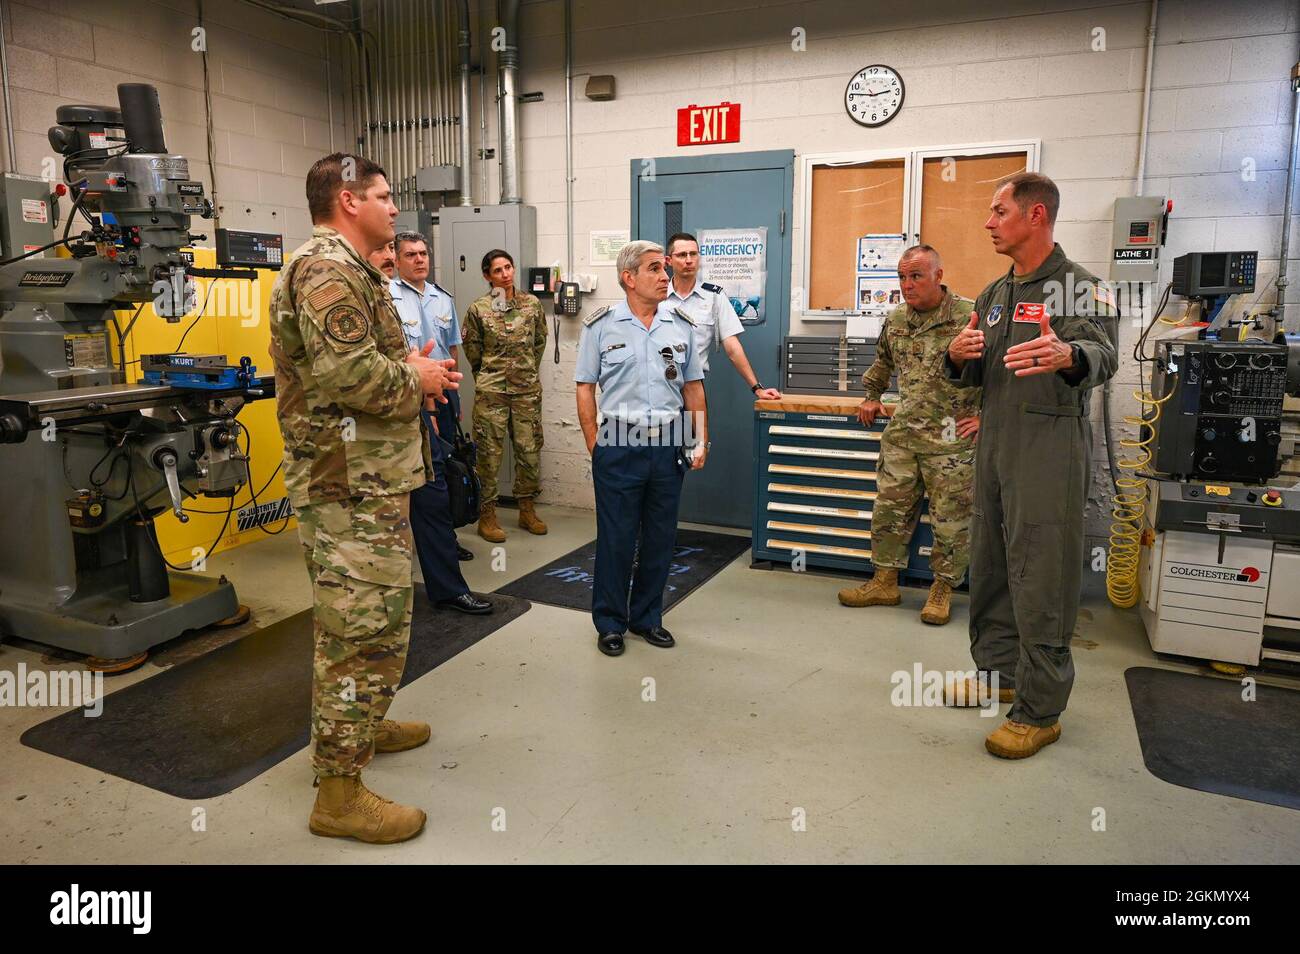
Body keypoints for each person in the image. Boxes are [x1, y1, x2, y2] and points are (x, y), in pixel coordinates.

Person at [269, 152, 461, 843]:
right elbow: (351, 376)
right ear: (348, 201)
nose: (393, 209)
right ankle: (339, 795)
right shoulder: (326, 270)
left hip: (368, 478)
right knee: (357, 634)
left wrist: (415, 369)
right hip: (344, 482)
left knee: (370, 621)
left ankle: (365, 726)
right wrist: (420, 379)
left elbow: (363, 366)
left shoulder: (353, 272)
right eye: (383, 197)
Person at [944, 172, 1118, 759]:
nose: (988, 223)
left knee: (1041, 573)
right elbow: (977, 370)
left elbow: (1103, 354)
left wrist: (1070, 353)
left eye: (998, 211)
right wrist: (957, 356)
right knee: (991, 564)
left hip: (1048, 453)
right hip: (995, 448)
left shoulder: (1081, 289)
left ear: (1036, 215)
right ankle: (999, 673)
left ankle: (1040, 710)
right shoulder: (994, 295)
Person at [575, 240, 708, 657]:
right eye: (655, 269)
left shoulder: (681, 324)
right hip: (618, 441)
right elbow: (585, 386)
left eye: (665, 269)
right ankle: (610, 622)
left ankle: (647, 617)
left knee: (660, 537)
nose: (666, 276)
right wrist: (594, 443)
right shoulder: (601, 326)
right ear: (628, 278)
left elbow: (692, 387)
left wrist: (699, 438)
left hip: (668, 444)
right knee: (616, 538)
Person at [837, 245, 979, 625]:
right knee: (889, 511)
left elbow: (999, 371)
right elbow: (883, 360)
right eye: (901, 277)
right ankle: (885, 580)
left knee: (951, 519)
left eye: (915, 276)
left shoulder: (970, 316)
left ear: (938, 275)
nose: (907, 285)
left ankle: (942, 589)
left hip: (952, 439)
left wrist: (987, 417)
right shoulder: (897, 317)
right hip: (905, 434)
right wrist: (871, 395)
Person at [366, 244, 493, 617]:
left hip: (429, 403)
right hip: (387, 418)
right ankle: (380, 601)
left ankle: (447, 588)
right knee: (385, 510)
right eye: (387, 252)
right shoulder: (370, 302)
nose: (394, 257)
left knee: (435, 492)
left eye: (395, 250)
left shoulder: (438, 297)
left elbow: (448, 348)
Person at [389, 230, 473, 562]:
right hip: (414, 394)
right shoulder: (388, 296)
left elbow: (452, 348)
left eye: (423, 253)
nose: (420, 259)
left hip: (445, 392)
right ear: (396, 260)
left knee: (450, 465)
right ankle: (416, 544)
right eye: (411, 255)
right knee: (426, 472)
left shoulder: (442, 297)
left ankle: (446, 538)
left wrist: (458, 397)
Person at [461, 249, 549, 541]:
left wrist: (525, 374)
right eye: (497, 270)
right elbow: (473, 351)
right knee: (488, 456)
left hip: (526, 392)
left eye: (508, 267)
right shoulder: (479, 309)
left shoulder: (532, 305)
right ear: (488, 276)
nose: (505, 274)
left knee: (529, 451)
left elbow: (539, 343)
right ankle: (487, 516)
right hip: (492, 393)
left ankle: (526, 509)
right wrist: (489, 377)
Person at [665, 232, 781, 400]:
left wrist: (757, 388)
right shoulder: (656, 296)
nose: (689, 260)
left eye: (693, 254)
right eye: (682, 255)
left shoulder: (714, 296)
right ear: (669, 261)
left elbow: (733, 347)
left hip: (693, 387)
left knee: (695, 427)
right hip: (657, 385)